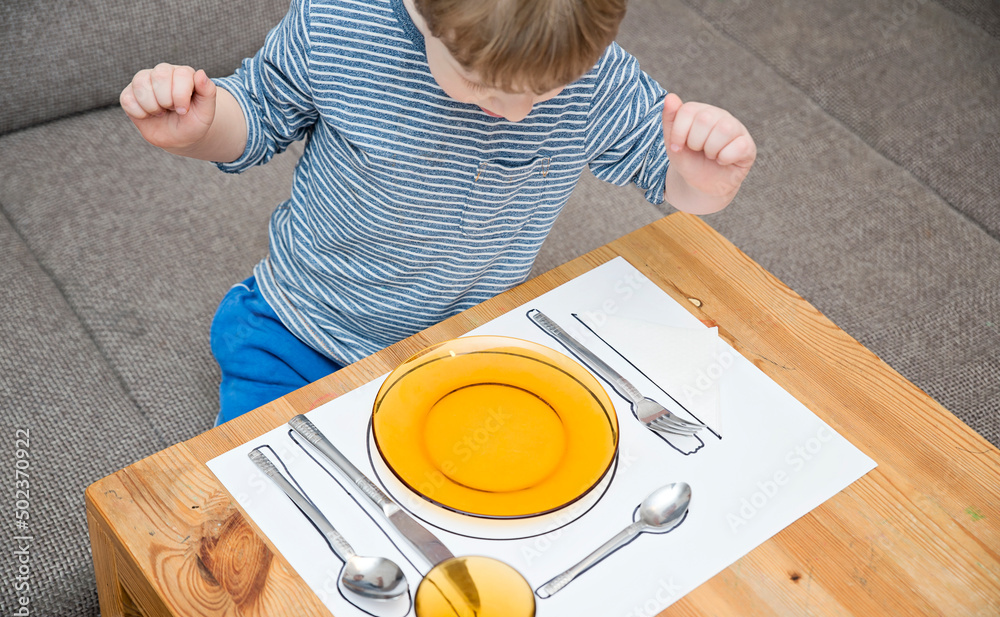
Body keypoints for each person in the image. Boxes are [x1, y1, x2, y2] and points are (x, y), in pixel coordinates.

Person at [120, 0, 756, 424]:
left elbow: (664, 172)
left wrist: (703, 182)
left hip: (468, 346)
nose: (518, 113)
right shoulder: (338, 25)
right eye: (482, 84)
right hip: (302, 334)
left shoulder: (594, 75)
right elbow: (257, 114)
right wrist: (203, 128)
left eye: (548, 90)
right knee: (266, 509)